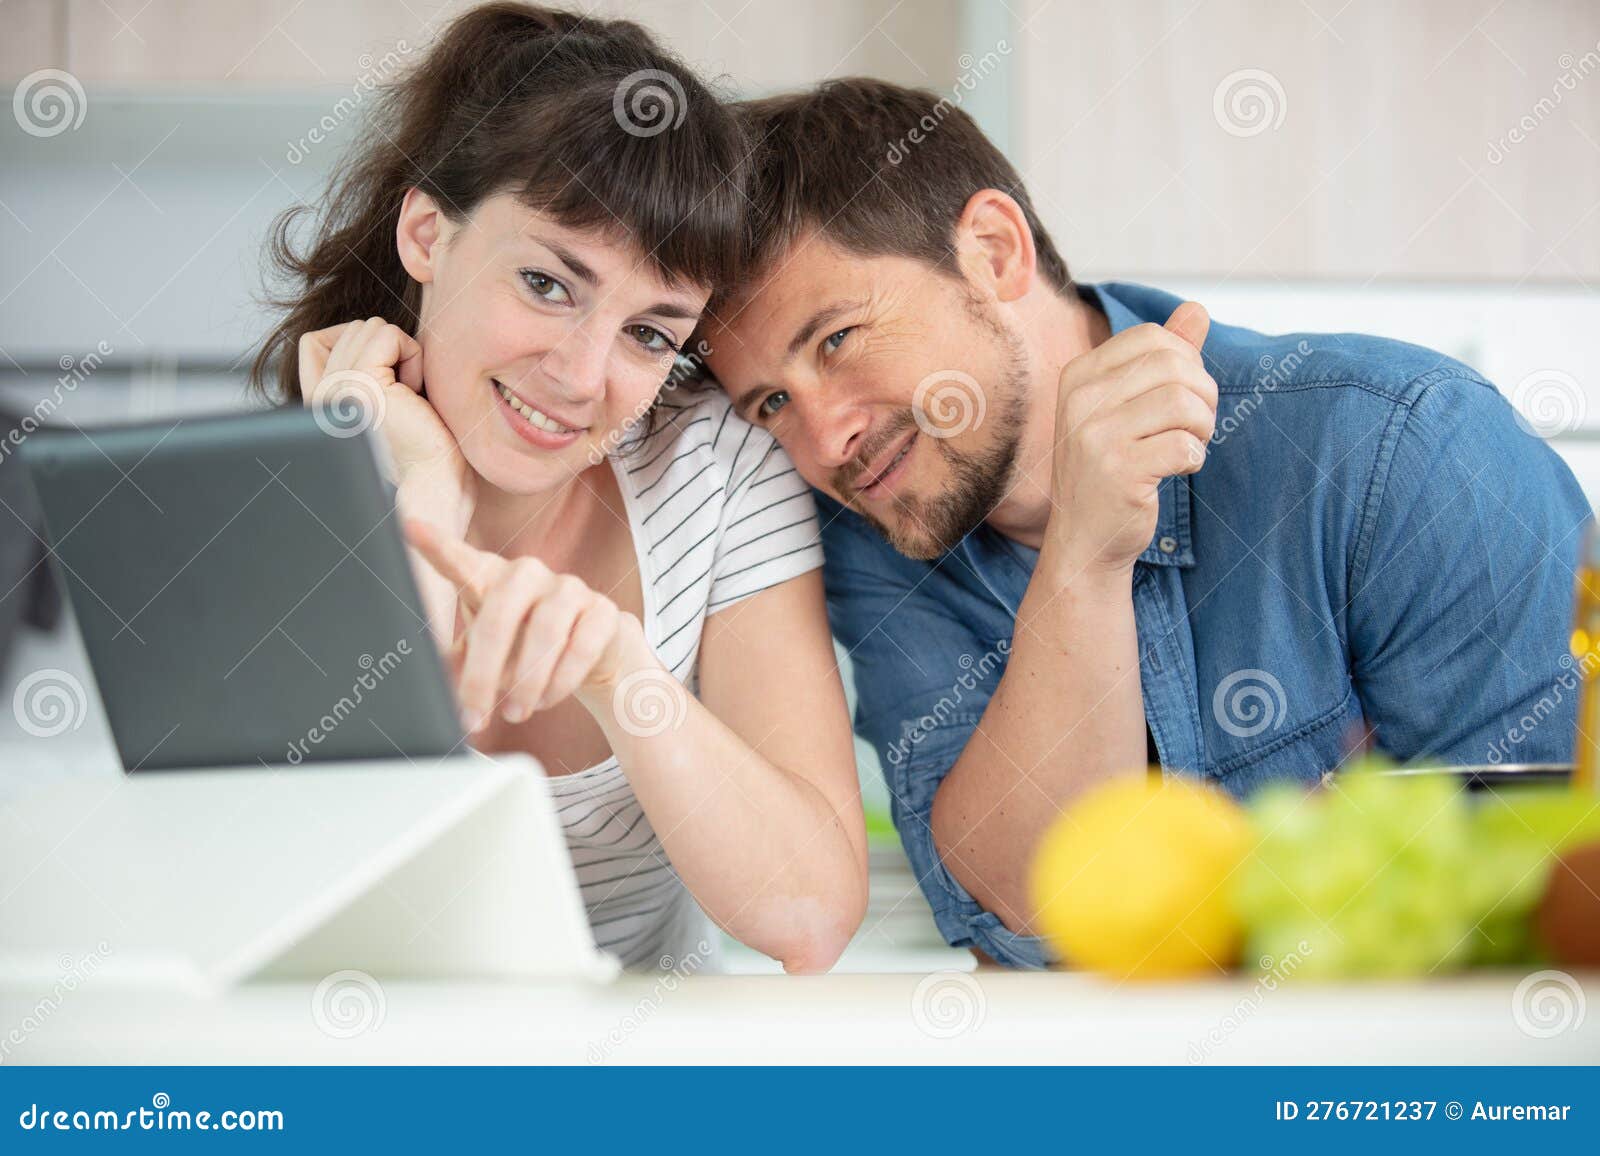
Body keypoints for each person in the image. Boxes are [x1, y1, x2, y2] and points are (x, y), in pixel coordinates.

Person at [698, 78, 1593, 968]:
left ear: (994, 253)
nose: (826, 440)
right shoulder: (880, 538)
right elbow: (1022, 905)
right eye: (772, 402)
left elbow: (1546, 906)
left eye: (838, 340)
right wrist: (1084, 559)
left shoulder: (1400, 446)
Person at [251, 4, 866, 973]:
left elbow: (811, 917)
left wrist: (625, 677)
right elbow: (295, 888)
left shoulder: (713, 471)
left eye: (649, 334)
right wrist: (422, 495)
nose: (582, 378)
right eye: (547, 284)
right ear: (427, 233)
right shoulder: (278, 483)